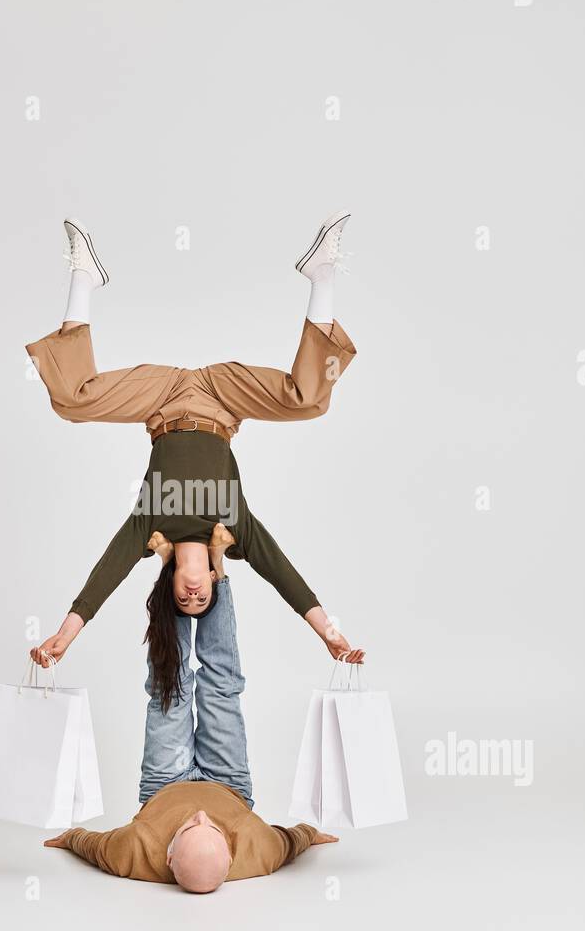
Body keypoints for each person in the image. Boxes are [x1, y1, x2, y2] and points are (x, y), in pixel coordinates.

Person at [26, 214, 364, 706]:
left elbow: (104, 576)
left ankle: (84, 276)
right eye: (202, 597)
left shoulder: (150, 528)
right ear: (211, 576)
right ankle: (323, 275)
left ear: (171, 584)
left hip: (161, 402)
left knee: (71, 402)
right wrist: (328, 633)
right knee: (309, 399)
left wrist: (64, 635)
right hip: (220, 400)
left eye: (184, 600)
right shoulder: (232, 527)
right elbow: (281, 572)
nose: (192, 595)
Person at [43, 537, 337, 893]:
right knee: (222, 687)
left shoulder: (134, 851)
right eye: (211, 829)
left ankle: (171, 565)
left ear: (167, 858)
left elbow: (93, 845)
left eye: (186, 830)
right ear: (231, 858)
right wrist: (310, 833)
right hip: (228, 783)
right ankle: (216, 567)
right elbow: (290, 841)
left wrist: (70, 837)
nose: (199, 816)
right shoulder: (259, 849)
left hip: (164, 784)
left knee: (171, 686)